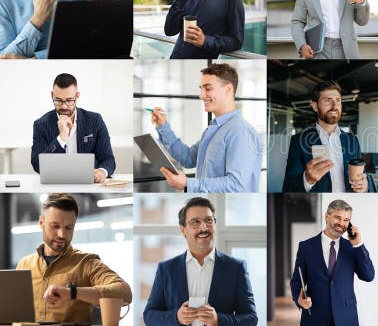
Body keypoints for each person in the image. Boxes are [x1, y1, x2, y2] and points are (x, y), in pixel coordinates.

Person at [17, 193, 131, 322]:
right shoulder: (24, 264)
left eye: (68, 228)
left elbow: (124, 292)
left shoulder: (87, 263)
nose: (62, 234)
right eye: (55, 226)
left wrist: (72, 292)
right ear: (41, 223)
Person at [143, 197, 258, 326]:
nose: (203, 227)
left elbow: (251, 318)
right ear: (183, 229)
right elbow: (149, 315)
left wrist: (218, 321)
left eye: (208, 220)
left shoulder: (236, 268)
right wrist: (176, 317)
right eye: (195, 222)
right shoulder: (166, 269)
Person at [150, 63, 263, 192]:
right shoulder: (214, 129)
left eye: (208, 89)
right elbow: (188, 158)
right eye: (201, 89)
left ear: (228, 89)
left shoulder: (241, 132)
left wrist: (188, 184)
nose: (201, 95)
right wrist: (163, 126)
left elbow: (237, 185)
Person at [290, 199, 374, 326]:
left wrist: (358, 245)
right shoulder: (306, 247)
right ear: (326, 217)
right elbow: (296, 280)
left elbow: (368, 276)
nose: (341, 223)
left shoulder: (352, 247)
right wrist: (299, 299)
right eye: (338, 218)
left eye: (346, 220)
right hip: (314, 315)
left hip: (346, 316)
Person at [282, 81, 371, 192]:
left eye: (338, 101)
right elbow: (288, 187)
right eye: (328, 101)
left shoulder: (352, 140)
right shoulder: (298, 141)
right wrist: (307, 179)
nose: (334, 106)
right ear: (315, 106)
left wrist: (365, 186)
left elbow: (362, 174)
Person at [31, 73, 115, 182]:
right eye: (58, 100)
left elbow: (108, 158)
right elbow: (37, 165)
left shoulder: (95, 120)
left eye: (69, 100)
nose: (64, 106)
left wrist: (102, 171)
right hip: (56, 183)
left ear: (77, 96)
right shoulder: (41, 124)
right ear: (52, 95)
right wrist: (61, 138)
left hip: (89, 183)